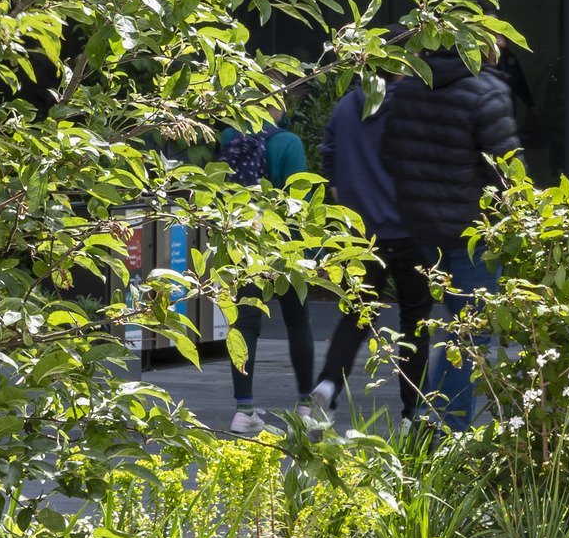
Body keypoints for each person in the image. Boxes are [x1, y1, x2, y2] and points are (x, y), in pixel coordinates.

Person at [382, 45, 525, 425]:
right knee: (470, 333)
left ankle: (433, 422)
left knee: (457, 327)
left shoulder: (411, 84)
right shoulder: (486, 90)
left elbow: (390, 153)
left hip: (422, 228)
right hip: (470, 230)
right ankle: (446, 428)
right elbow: (509, 169)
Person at [314, 81, 429, 422]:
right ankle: (413, 415)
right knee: (415, 323)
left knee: (357, 314)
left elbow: (329, 156)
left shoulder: (347, 105)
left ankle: (327, 384)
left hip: (361, 232)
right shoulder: (414, 104)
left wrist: (347, 201)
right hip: (411, 228)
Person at [221, 120, 317, 434]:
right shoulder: (288, 142)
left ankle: (243, 409)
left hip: (245, 244)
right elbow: (301, 203)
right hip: (285, 245)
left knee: (244, 324)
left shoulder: (228, 137)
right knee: (297, 320)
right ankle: (305, 406)